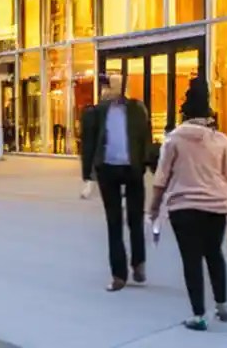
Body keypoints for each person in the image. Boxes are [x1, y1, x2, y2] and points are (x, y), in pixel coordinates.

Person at [147, 77, 227, 331]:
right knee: (214, 254)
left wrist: (154, 206)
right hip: (216, 206)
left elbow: (161, 178)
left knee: (191, 260)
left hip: (184, 208)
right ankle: (222, 304)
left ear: (185, 111)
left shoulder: (173, 140)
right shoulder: (222, 140)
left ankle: (199, 315)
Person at [80, 74, 153, 292]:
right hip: (108, 169)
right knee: (114, 222)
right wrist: (88, 174)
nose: (106, 91)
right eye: (105, 87)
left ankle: (138, 263)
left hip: (132, 169)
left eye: (110, 86)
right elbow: (89, 142)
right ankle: (118, 274)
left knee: (135, 218)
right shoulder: (96, 112)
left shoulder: (136, 109)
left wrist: (147, 162)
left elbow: (145, 138)